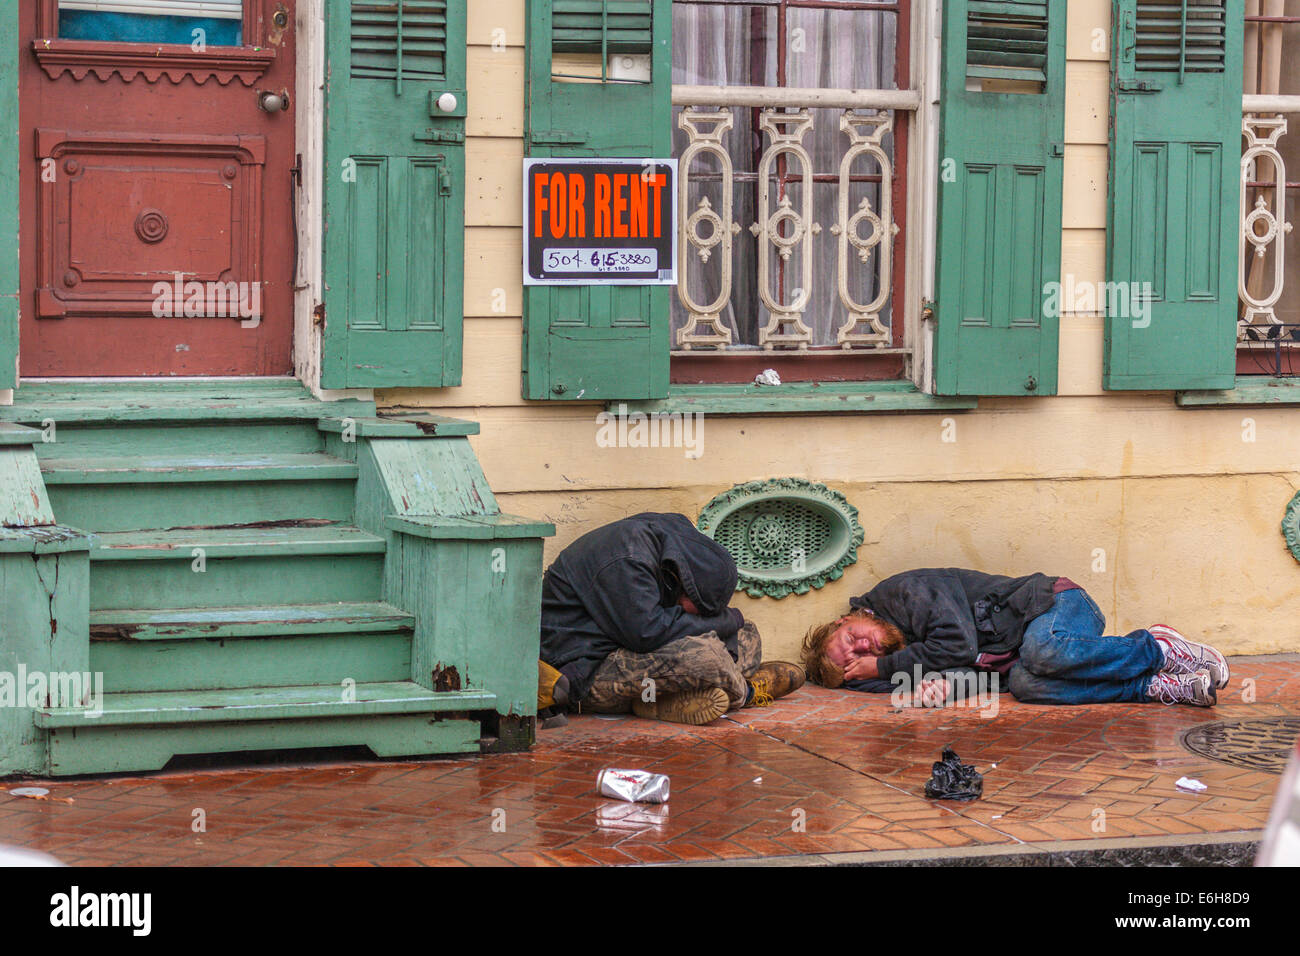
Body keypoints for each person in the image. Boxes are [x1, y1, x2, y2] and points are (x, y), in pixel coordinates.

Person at [800, 567, 1229, 707]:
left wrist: (883, 666)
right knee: (1023, 684)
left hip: (1055, 604)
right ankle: (1152, 686)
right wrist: (944, 688)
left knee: (1041, 652)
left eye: (852, 639)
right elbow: (984, 673)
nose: (864, 649)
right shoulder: (907, 655)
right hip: (1030, 651)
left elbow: (960, 647)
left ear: (846, 619)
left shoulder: (902, 594)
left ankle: (1157, 646)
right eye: (852, 660)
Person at [538, 513, 804, 725]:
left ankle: (656, 701)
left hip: (627, 641)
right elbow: (647, 633)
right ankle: (745, 692)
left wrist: (725, 622)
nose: (698, 615)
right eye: (697, 608)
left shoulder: (675, 544)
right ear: (684, 582)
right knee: (707, 656)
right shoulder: (628, 558)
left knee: (747, 633)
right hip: (584, 668)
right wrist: (724, 621)